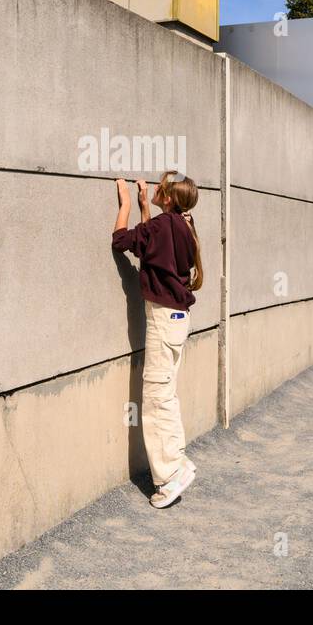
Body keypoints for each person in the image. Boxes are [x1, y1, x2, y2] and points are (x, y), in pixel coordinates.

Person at [111, 170, 205, 508]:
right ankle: (178, 461)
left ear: (167, 197)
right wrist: (142, 207)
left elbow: (121, 241)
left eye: (159, 189)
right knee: (166, 394)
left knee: (155, 400)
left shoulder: (164, 226)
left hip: (164, 321)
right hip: (176, 320)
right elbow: (151, 248)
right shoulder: (180, 225)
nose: (154, 189)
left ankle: (169, 477)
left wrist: (124, 203)